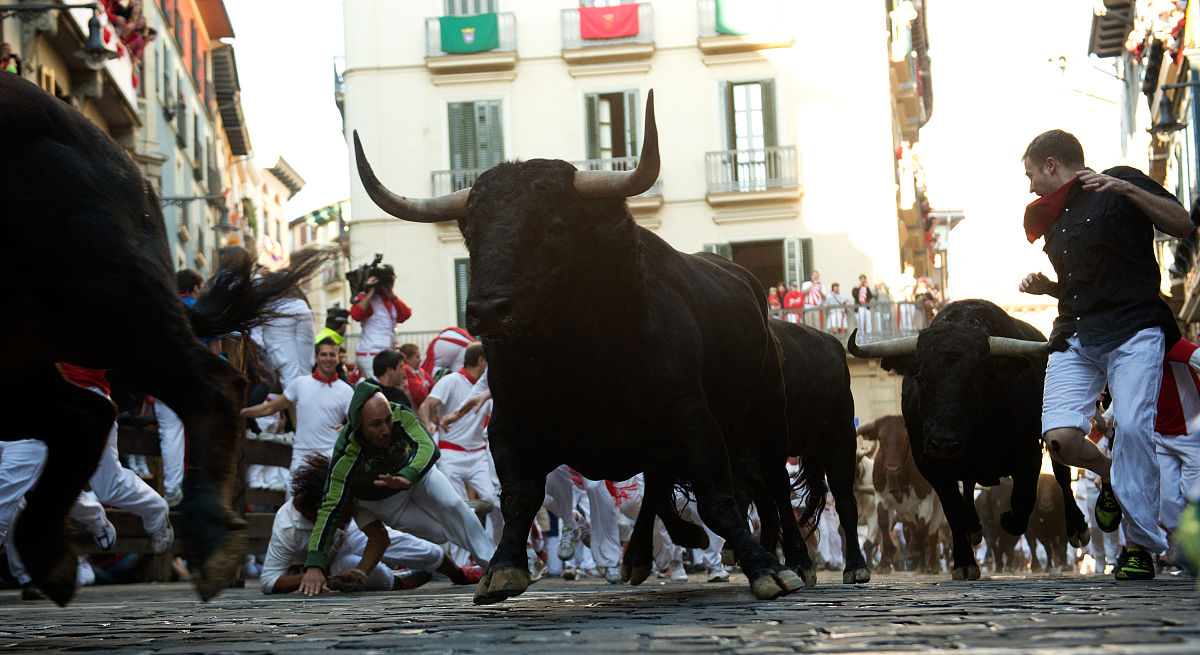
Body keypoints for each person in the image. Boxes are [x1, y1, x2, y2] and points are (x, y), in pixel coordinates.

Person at [1017, 128, 1192, 580]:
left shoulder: (1118, 182)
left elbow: (1183, 224)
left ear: (1052, 165)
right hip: (1076, 331)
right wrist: (1049, 287)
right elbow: (1086, 286)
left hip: (1135, 327)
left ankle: (1140, 546)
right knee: (1059, 438)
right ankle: (1112, 475)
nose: (1031, 185)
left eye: (1032, 174)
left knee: (1133, 426)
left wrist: (1127, 189)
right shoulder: (1053, 218)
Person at [299, 383, 495, 596]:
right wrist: (314, 564)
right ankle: (468, 515)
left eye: (387, 420)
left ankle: (495, 569)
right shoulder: (346, 454)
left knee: (453, 506)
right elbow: (330, 508)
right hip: (386, 502)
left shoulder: (400, 413)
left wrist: (407, 475)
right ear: (359, 426)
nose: (385, 429)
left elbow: (427, 446)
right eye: (376, 424)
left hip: (418, 476)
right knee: (441, 533)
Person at [260, 452, 468, 594]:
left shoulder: (342, 496)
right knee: (380, 577)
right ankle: (398, 579)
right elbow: (268, 581)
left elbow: (379, 536)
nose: (351, 510)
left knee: (425, 550)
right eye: (344, 510)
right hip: (332, 564)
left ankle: (460, 573)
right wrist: (313, 576)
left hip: (352, 535)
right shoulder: (288, 527)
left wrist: (361, 571)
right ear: (319, 507)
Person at [241, 339, 354, 480]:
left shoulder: (346, 391)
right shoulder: (300, 384)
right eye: (324, 354)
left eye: (332, 355)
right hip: (301, 457)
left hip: (330, 456)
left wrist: (346, 428)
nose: (328, 359)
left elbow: (355, 425)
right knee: (293, 499)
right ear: (315, 357)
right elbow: (269, 408)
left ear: (338, 358)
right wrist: (242, 412)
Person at [417, 343, 498, 539]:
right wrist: (428, 426)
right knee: (458, 507)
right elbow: (425, 405)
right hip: (450, 453)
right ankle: (462, 564)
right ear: (481, 361)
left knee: (494, 501)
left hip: (478, 454)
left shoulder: (489, 387)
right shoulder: (451, 380)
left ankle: (498, 550)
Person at [152, 269, 205, 507]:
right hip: (192, 378)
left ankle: (173, 490)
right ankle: (198, 491)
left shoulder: (161, 307)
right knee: (199, 433)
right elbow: (212, 348)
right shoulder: (200, 309)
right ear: (194, 287)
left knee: (170, 434)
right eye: (201, 287)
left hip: (163, 377)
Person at [350, 264, 412, 377]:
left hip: (386, 352)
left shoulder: (391, 300)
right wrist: (370, 291)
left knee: (388, 386)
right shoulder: (366, 297)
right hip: (370, 352)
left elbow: (405, 315)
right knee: (379, 386)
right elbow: (356, 315)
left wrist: (392, 295)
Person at [399, 343, 433, 407]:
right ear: (406, 358)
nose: (420, 360)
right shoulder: (405, 372)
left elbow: (433, 387)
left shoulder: (419, 371)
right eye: (417, 357)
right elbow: (420, 396)